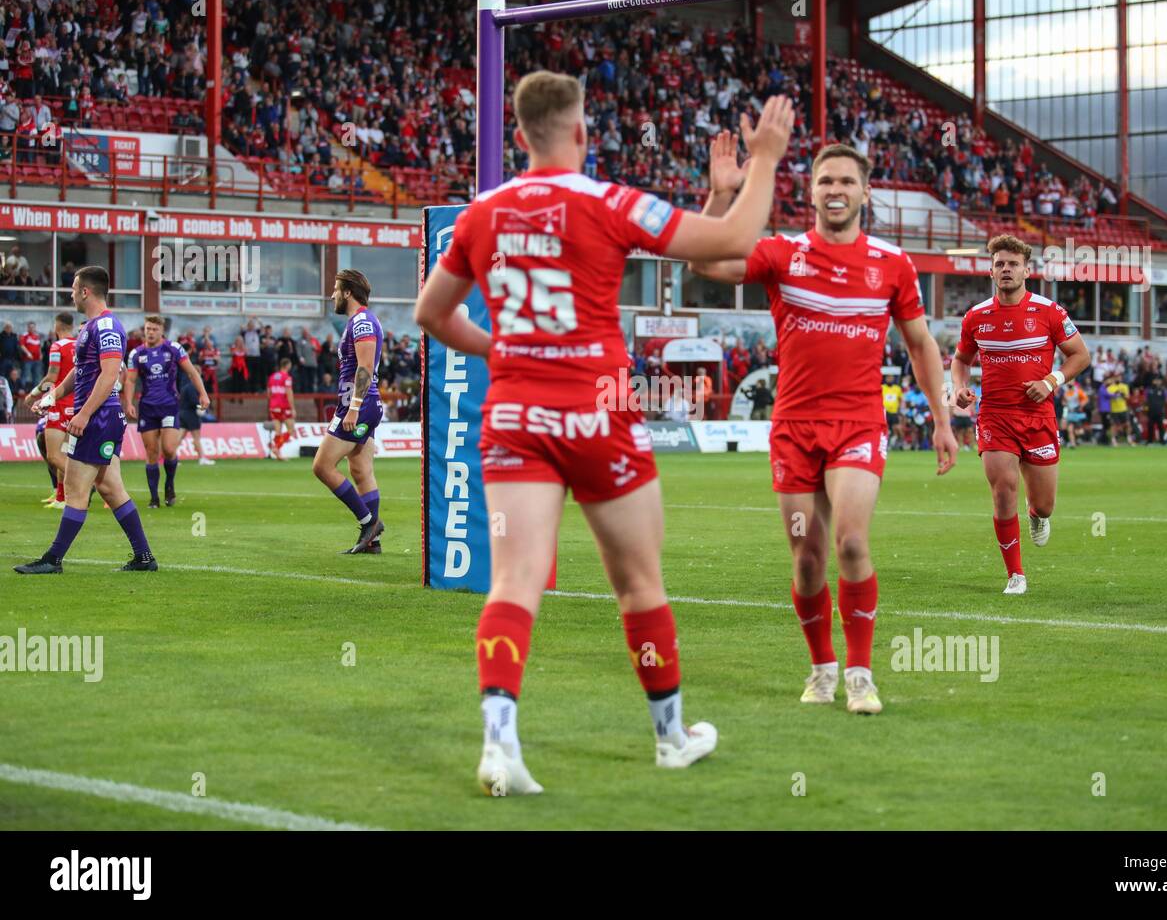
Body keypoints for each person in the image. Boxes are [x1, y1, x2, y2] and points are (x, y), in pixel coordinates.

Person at [417, 70, 792, 794]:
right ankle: (670, 736)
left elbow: (432, 316)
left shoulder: (480, 213)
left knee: (515, 581)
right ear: (583, 132)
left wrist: (503, 350)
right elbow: (735, 238)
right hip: (599, 411)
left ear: (520, 135)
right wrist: (767, 156)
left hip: (516, 415)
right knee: (637, 581)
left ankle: (500, 745)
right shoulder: (612, 202)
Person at [688, 138, 957, 714]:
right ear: (809, 191)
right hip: (792, 427)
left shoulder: (893, 264)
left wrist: (942, 417)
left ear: (865, 192)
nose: (835, 190)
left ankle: (861, 674)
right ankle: (822, 669)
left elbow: (920, 343)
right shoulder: (781, 254)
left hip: (859, 422)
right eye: (825, 181)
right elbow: (702, 261)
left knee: (852, 543)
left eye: (846, 182)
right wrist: (720, 193)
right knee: (807, 558)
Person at [950, 235, 1092, 595]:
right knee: (1002, 492)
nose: (1006, 269)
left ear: (1027, 270)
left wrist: (1052, 380)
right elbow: (960, 360)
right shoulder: (976, 316)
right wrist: (959, 388)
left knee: (1044, 505)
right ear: (992, 271)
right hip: (995, 416)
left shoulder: (1049, 311)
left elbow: (1080, 355)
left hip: (1038, 416)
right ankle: (1015, 574)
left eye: (1013, 264)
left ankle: (1036, 515)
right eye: (1000, 264)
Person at [16, 266, 157, 574]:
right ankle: (144, 557)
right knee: (110, 488)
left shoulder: (106, 326)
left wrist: (83, 414)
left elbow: (109, 377)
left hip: (99, 417)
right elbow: (78, 372)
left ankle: (53, 560)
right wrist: (53, 396)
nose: (70, 294)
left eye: (73, 288)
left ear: (85, 292)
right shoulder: (90, 327)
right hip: (102, 416)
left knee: (76, 487)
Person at [311, 270, 385, 555]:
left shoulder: (363, 321)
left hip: (359, 405)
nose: (332, 294)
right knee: (361, 470)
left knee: (322, 466)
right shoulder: (358, 322)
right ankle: (372, 542)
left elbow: (364, 368)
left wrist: (353, 407)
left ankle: (369, 523)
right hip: (365, 404)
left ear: (348, 292)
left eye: (335, 288)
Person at [122, 315, 210, 508]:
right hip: (147, 408)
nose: (150, 332)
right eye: (148, 329)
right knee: (152, 452)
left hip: (169, 406)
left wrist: (203, 394)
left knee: (169, 449)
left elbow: (192, 372)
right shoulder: (136, 354)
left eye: (154, 329)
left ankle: (169, 486)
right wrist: (128, 403)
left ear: (162, 331)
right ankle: (154, 498)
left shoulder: (174, 348)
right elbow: (129, 380)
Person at [28, 313, 78, 508]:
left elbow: (52, 376)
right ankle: (62, 498)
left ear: (57, 326)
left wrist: (34, 394)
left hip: (60, 402)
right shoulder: (79, 344)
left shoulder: (58, 346)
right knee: (65, 451)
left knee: (54, 455)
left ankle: (86, 482)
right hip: (78, 403)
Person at [267, 357, 297, 460]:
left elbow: (269, 393)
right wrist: (292, 408)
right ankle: (276, 448)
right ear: (288, 365)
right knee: (291, 430)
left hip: (273, 406)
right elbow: (289, 393)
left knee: (278, 431)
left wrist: (272, 403)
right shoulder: (287, 377)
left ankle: (278, 453)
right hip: (284, 406)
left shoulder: (272, 377)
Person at [1144, 378, 1167, 445]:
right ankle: (1150, 441)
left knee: (1161, 426)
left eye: (1158, 380)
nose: (1157, 382)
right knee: (1150, 426)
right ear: (1152, 381)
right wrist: (1146, 409)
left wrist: (1161, 406)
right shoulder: (1148, 389)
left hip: (1159, 411)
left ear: (1160, 381)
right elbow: (1145, 400)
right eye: (1155, 380)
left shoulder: (1163, 390)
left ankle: (1162, 441)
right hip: (1151, 411)